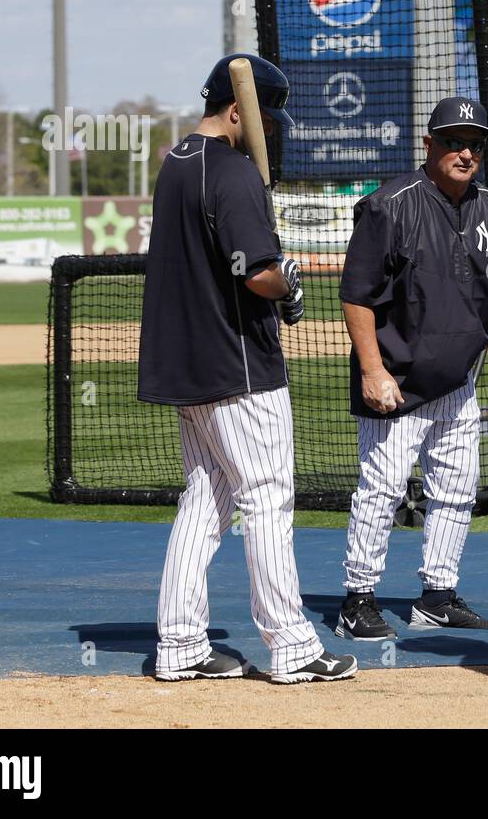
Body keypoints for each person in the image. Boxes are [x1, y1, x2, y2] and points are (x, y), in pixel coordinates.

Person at [139, 53, 357, 684]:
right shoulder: (233, 173)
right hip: (238, 364)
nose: (272, 128)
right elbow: (257, 270)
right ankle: (292, 647)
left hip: (188, 362)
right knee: (266, 499)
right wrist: (285, 281)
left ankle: (180, 645)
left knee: (205, 500)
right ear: (238, 111)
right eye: (265, 117)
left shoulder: (175, 163)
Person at [333, 96, 488, 640]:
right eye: (453, 141)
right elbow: (356, 296)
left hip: (459, 383)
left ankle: (438, 595)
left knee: (456, 488)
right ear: (429, 145)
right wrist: (372, 371)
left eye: (474, 143)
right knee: (381, 490)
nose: (465, 152)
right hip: (398, 381)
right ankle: (358, 598)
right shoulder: (389, 205)